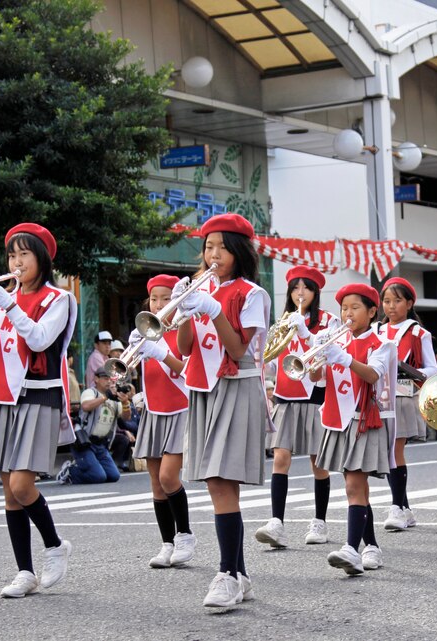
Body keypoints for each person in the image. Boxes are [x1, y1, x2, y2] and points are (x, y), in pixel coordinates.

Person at [0, 223, 76, 598]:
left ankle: (55, 543)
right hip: (2, 396)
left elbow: (41, 338)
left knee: (22, 484)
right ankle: (25, 572)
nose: (15, 261)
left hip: (37, 395)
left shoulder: (58, 299)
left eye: (23, 254)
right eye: (11, 254)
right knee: (8, 492)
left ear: (41, 258)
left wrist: (7, 303)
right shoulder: (3, 299)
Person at [175, 213, 270, 608]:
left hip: (236, 386)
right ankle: (240, 575)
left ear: (239, 251)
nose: (213, 254)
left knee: (220, 481)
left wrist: (211, 309)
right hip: (204, 388)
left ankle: (227, 574)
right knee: (218, 483)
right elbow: (183, 348)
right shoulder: (202, 290)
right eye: (208, 246)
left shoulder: (252, 294)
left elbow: (236, 349)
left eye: (221, 247)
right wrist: (184, 309)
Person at [314, 283, 396, 575]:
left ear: (372, 311)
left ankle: (351, 548)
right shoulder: (337, 341)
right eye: (344, 308)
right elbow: (316, 378)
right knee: (357, 487)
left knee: (353, 486)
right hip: (340, 418)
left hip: (365, 419)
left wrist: (344, 358)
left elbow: (373, 374)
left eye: (355, 307)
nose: (347, 313)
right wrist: (316, 351)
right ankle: (371, 545)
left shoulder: (381, 343)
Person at [256, 266, 338, 549]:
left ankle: (320, 521)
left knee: (319, 464)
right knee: (280, 459)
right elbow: (268, 358)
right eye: (295, 288)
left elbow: (331, 361)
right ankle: (276, 522)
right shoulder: (282, 321)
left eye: (306, 288)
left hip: (315, 397)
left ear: (315, 293)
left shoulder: (329, 321)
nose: (299, 293)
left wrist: (305, 334)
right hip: (285, 396)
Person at [127, 275, 195, 569]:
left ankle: (185, 535)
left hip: (180, 410)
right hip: (154, 411)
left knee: (169, 477)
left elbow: (188, 373)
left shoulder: (183, 328)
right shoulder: (145, 330)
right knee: (156, 482)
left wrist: (161, 354)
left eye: (166, 298)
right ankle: (167, 543)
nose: (159, 304)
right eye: (154, 298)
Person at [378, 277, 437, 531]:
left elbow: (432, 370)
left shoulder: (419, 333)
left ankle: (396, 507)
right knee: (387, 452)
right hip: (378, 396)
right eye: (386, 301)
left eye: (397, 301)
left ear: (410, 302)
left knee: (394, 451)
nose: (391, 307)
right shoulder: (375, 331)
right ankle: (404, 508)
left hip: (402, 395)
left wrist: (407, 369)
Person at [60, 368, 129, 485]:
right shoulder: (90, 392)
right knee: (98, 476)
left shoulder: (115, 399)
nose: (108, 382)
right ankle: (69, 472)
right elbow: (86, 406)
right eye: (105, 378)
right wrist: (105, 397)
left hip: (101, 443)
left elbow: (126, 418)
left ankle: (88, 467)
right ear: (96, 379)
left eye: (110, 379)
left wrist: (125, 403)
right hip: (84, 442)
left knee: (114, 475)